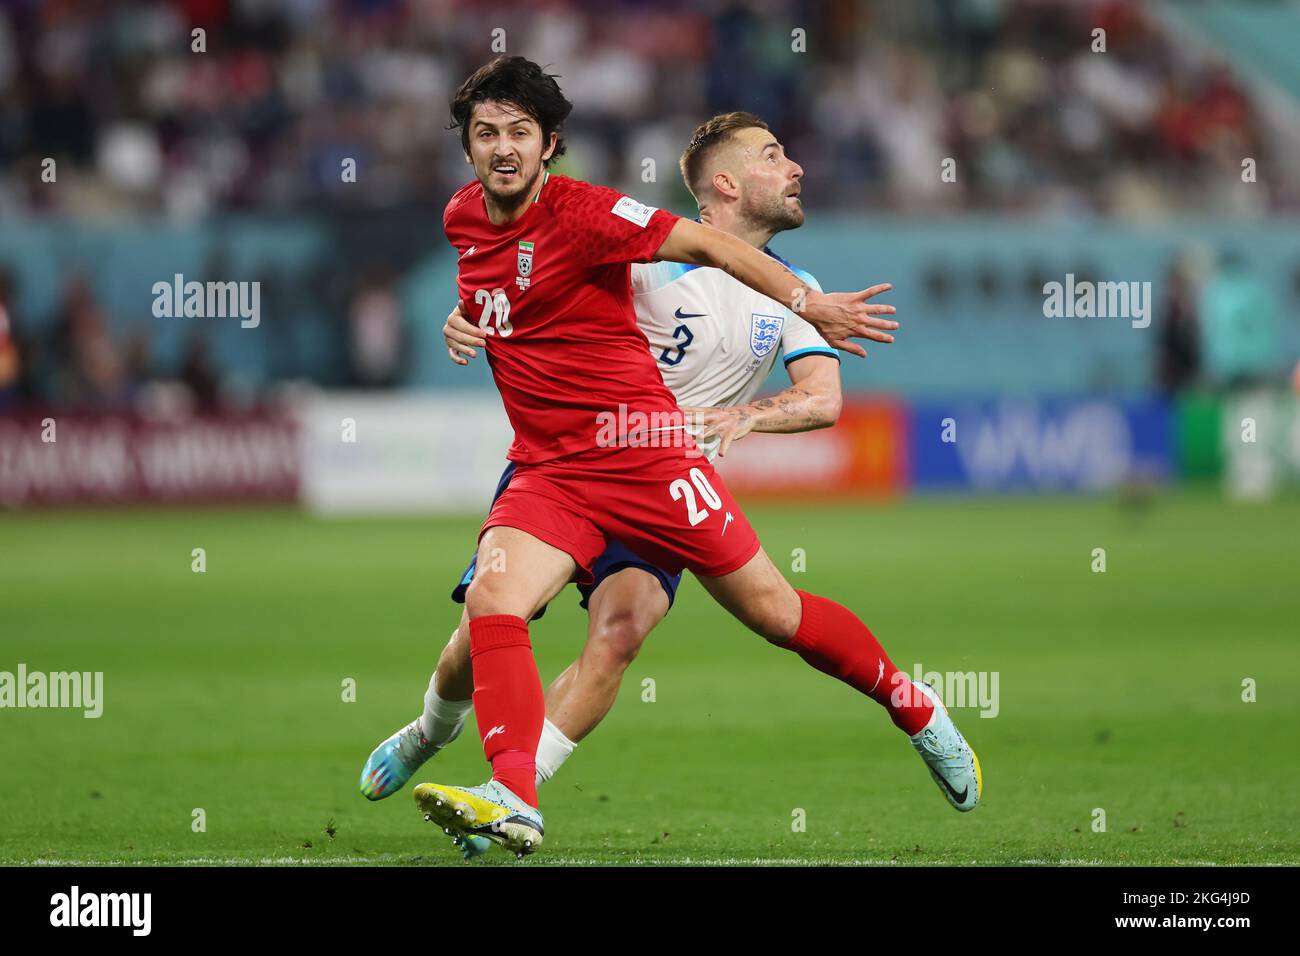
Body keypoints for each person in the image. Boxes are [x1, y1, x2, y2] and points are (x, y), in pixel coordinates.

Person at [362, 57, 979, 858]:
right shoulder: (517, 227)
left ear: (549, 144)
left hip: (657, 464)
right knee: (483, 618)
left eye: (520, 132)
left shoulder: (723, 258)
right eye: (486, 134)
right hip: (556, 465)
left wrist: (781, 349)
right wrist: (465, 320)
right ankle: (473, 767)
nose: (793, 169)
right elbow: (514, 288)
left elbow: (817, 391)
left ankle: (914, 705)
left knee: (765, 616)